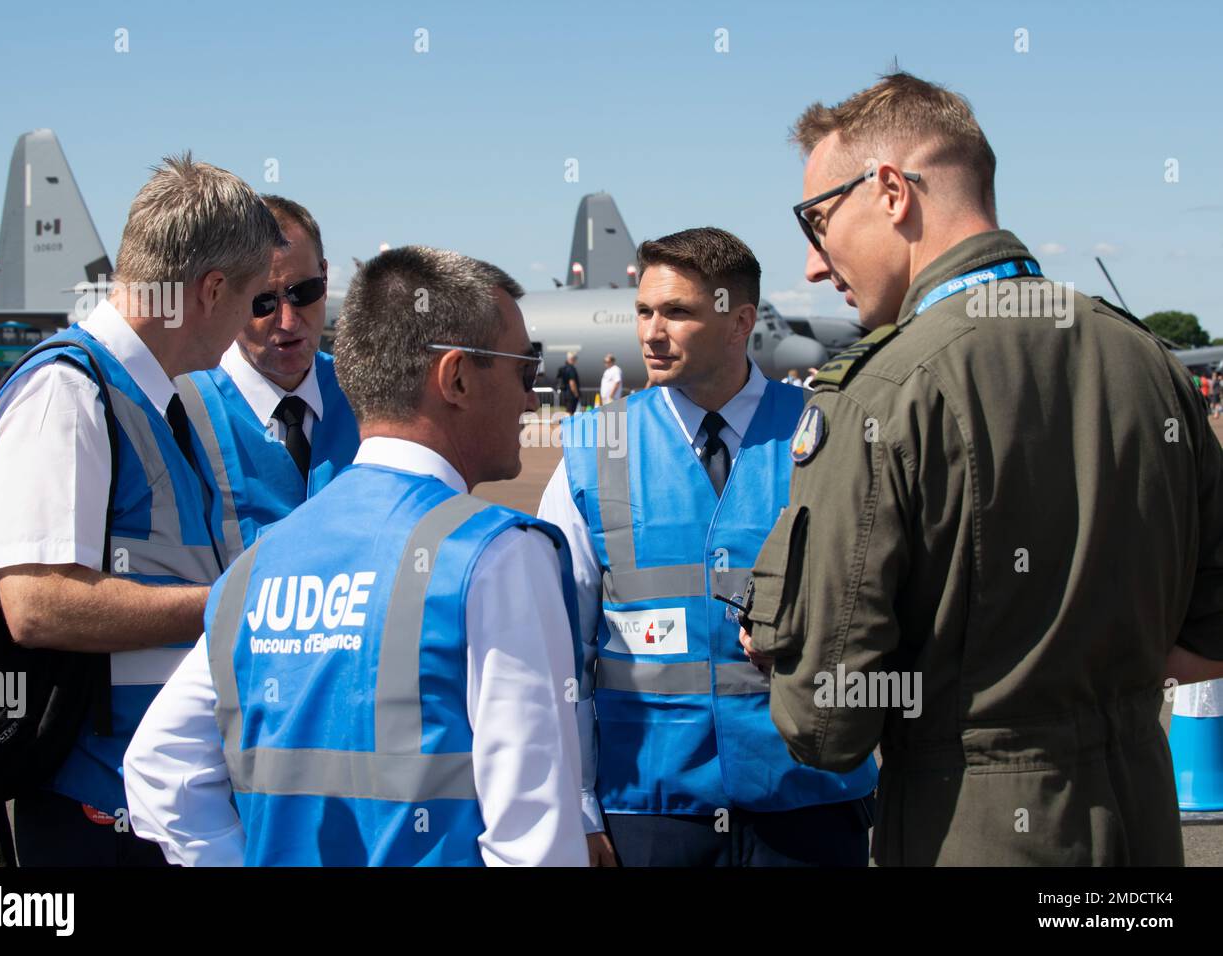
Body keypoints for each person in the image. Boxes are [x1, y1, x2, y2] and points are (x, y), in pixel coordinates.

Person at [741, 71, 1223, 865]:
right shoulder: (1149, 361)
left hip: (970, 827)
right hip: (1141, 832)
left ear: (891, 191)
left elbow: (826, 725)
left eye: (817, 221)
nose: (816, 264)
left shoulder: (882, 393)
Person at [124, 246, 588, 866]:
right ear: (454, 378)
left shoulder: (260, 564)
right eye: (522, 368)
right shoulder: (496, 556)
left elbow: (161, 768)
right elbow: (535, 841)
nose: (530, 399)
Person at [0, 153, 283, 866]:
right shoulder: (67, 391)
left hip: (150, 803)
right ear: (211, 291)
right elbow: (35, 604)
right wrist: (229, 607)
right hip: (94, 813)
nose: (257, 323)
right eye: (256, 300)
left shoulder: (153, 397)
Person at [539, 227, 877, 868]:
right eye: (644, 311)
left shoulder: (827, 436)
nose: (650, 332)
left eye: (677, 312)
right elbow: (562, 651)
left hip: (811, 801)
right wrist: (579, 806)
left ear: (738, 321)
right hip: (653, 810)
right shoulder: (592, 450)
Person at [174, 196, 360, 562]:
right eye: (262, 302)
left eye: (304, 292)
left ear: (324, 275)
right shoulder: (178, 410)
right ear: (222, 297)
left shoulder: (365, 397)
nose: (288, 322)